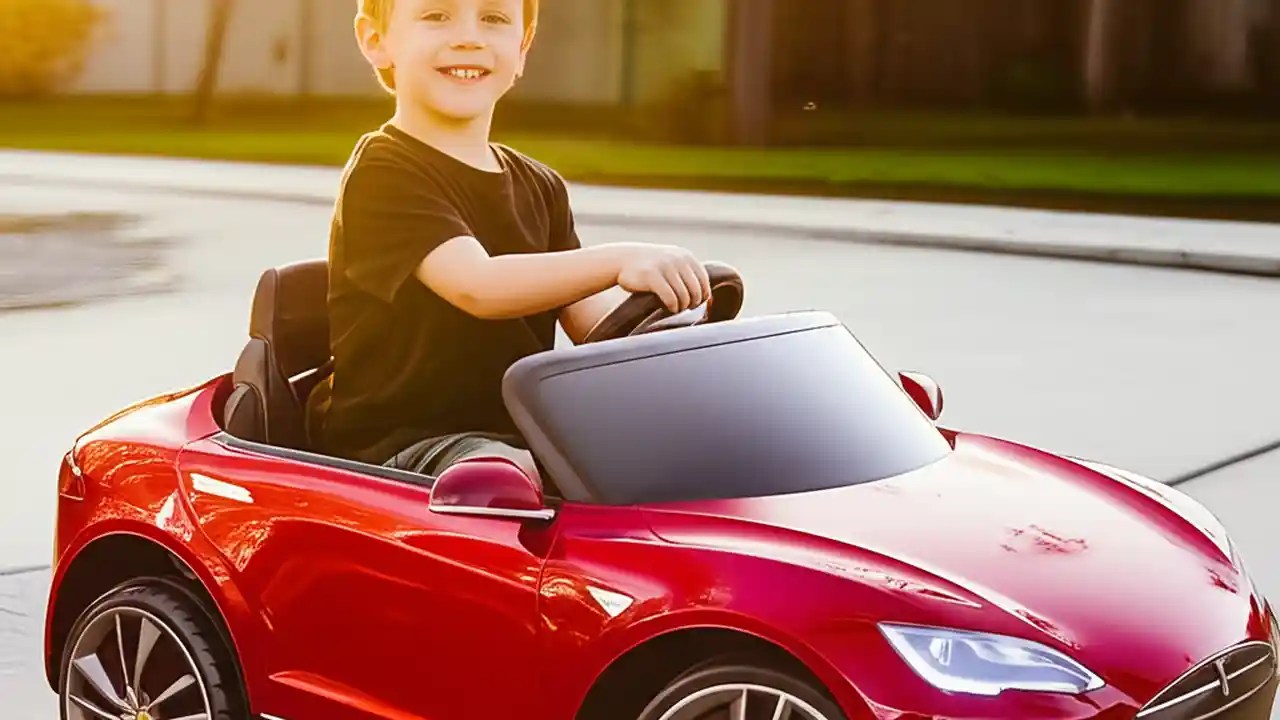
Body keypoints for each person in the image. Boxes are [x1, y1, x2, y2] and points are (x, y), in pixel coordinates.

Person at [308, 0, 712, 485]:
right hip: (402, 448)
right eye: (437, 16)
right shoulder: (384, 173)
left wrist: (675, 331)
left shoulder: (541, 188)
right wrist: (621, 257)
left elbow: (597, 327)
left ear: (521, 50)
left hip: (522, 433)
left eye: (494, 19)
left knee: (684, 448)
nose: (469, 37)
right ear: (377, 41)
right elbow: (479, 286)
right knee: (507, 474)